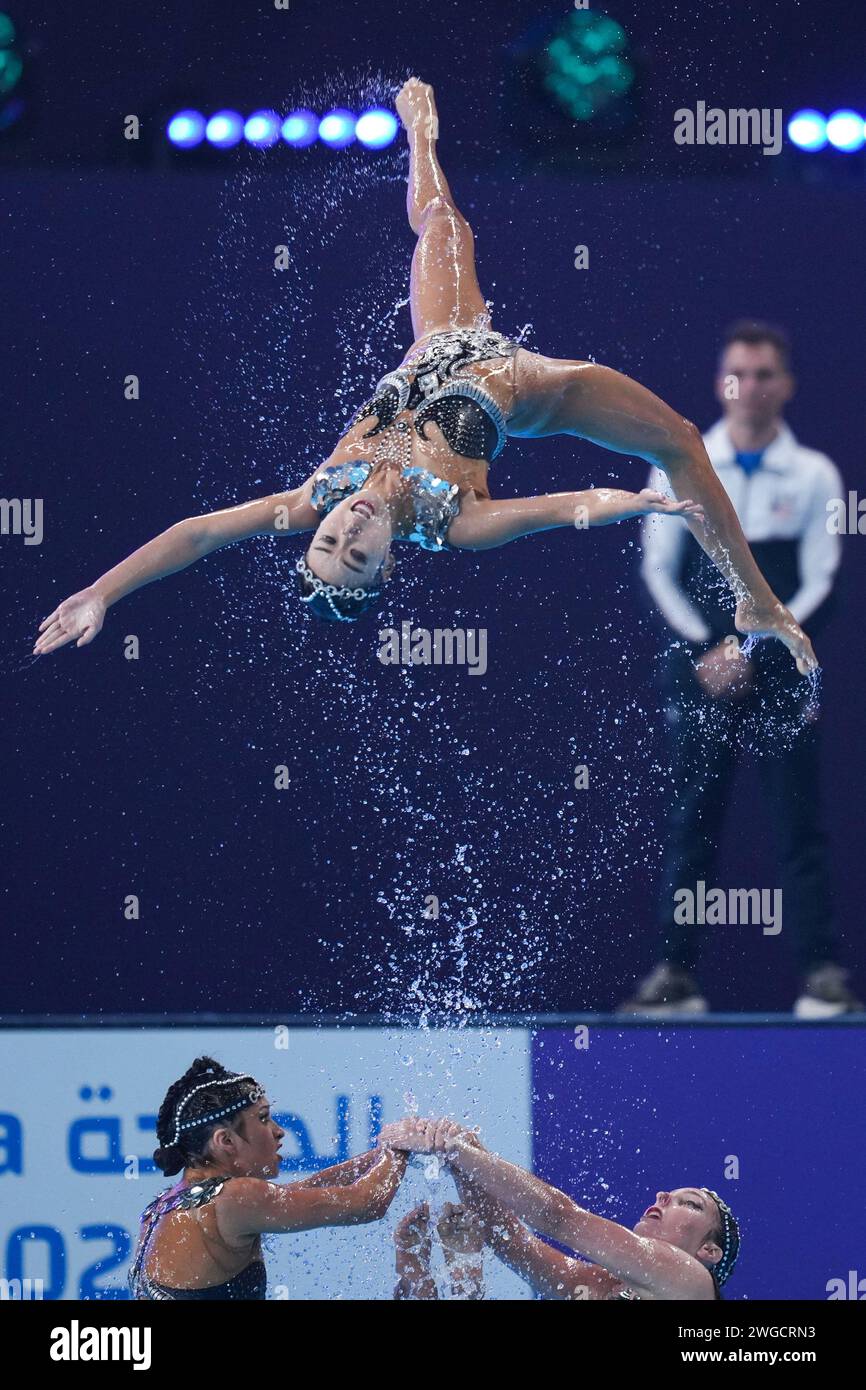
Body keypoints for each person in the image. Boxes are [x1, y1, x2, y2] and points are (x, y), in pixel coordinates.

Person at [35, 81, 813, 675]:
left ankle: (419, 130)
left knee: (442, 222)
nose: (352, 527)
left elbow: (198, 533)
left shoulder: (315, 496)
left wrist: (101, 591)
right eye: (360, 551)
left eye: (333, 539)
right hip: (530, 384)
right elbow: (563, 508)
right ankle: (756, 600)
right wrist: (632, 503)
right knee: (679, 439)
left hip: (445, 336)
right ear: (386, 562)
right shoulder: (453, 523)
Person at [622, 320, 861, 1018]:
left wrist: (756, 646)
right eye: (738, 375)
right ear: (720, 383)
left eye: (764, 376)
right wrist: (711, 646)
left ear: (784, 386)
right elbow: (659, 575)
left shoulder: (815, 475)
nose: (750, 388)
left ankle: (821, 974)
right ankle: (675, 975)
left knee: (799, 819)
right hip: (699, 668)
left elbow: (820, 582)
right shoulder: (677, 461)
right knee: (691, 817)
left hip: (783, 668)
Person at [128, 1056, 406, 1299]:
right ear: (226, 1141)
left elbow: (304, 1191)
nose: (278, 1131)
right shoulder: (235, 1197)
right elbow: (367, 1203)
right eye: (263, 1119)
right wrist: (402, 1149)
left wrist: (381, 1154)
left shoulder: (163, 1207)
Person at [379, 1117, 740, 1301]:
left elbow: (559, 1217)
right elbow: (513, 1244)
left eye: (689, 1203)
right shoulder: (605, 1288)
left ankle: (460, 1282)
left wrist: (455, 1149)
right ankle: (448, 1283)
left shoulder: (692, 1281)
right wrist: (468, 1163)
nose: (663, 1197)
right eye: (668, 1193)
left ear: (709, 1251)